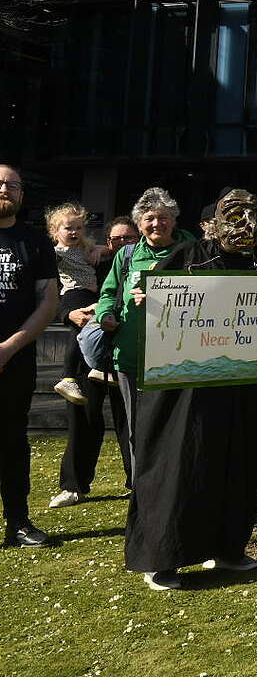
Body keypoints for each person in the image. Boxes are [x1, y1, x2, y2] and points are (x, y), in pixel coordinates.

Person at [124, 188, 257, 589]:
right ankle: (163, 557)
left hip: (243, 388)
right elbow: (156, 301)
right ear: (215, 221)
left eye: (253, 214)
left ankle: (228, 548)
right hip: (185, 393)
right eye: (235, 214)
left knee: (239, 463)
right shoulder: (189, 256)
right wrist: (148, 298)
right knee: (180, 465)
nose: (245, 223)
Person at [95, 188, 198, 483]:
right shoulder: (127, 255)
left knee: (175, 424)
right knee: (137, 426)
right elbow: (108, 292)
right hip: (131, 354)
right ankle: (142, 484)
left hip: (179, 356)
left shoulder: (194, 251)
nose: (157, 224)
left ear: (174, 221)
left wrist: (164, 297)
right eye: (150, 218)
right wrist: (105, 316)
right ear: (139, 224)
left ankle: (174, 482)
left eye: (164, 218)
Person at [50, 214, 135, 509]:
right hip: (90, 355)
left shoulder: (136, 263)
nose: (122, 243)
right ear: (107, 241)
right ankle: (74, 485)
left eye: (129, 238)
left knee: (129, 419)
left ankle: (136, 482)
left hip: (125, 353)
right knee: (83, 418)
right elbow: (60, 292)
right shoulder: (90, 260)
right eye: (117, 239)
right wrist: (67, 314)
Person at [0, 166, 60, 548]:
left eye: (12, 184)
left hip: (15, 359)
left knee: (11, 441)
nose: (4, 189)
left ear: (22, 194)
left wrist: (8, 347)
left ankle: (18, 522)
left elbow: (48, 301)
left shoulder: (35, 242)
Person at [47, 204, 105, 406]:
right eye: (68, 228)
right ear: (55, 231)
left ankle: (98, 365)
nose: (74, 232)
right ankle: (68, 378)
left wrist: (99, 248)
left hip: (89, 295)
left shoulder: (84, 247)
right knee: (78, 331)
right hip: (74, 294)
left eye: (79, 228)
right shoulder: (58, 252)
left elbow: (110, 249)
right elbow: (47, 259)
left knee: (95, 327)